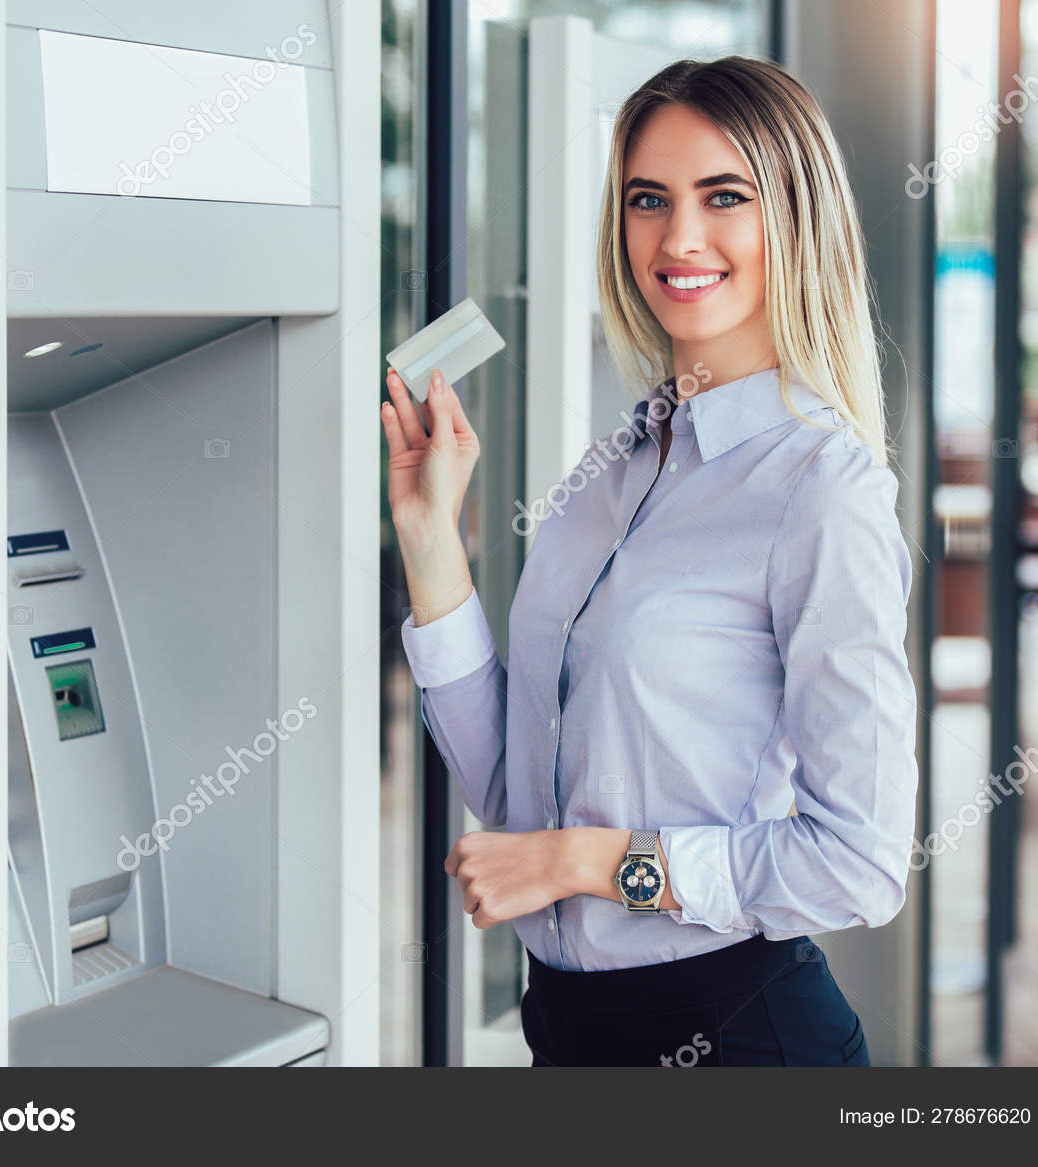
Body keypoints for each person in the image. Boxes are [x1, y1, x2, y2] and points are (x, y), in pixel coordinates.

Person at [380, 56, 918, 1067]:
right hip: (569, 1026)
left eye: (724, 197)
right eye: (647, 200)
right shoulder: (608, 472)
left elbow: (860, 865)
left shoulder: (821, 490)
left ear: (794, 220)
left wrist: (585, 864)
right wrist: (427, 534)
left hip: (738, 1035)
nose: (678, 239)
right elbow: (514, 805)